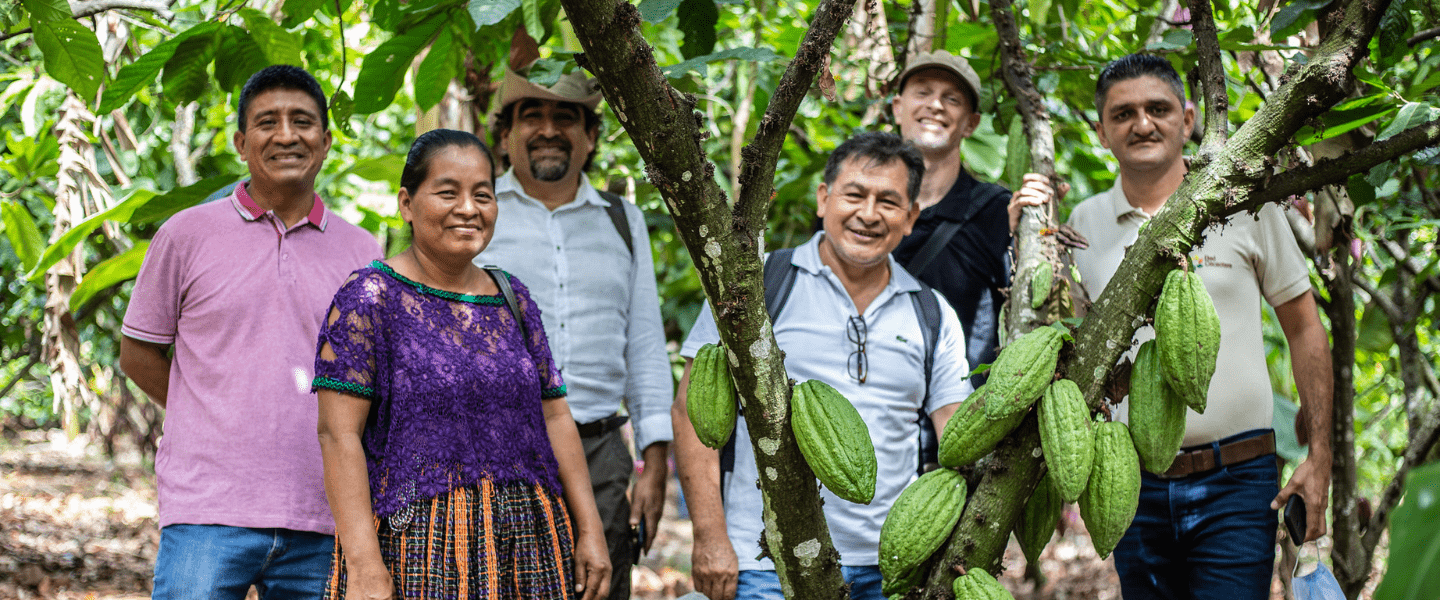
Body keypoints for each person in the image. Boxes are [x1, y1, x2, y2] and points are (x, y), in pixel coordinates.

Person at [1013, 54, 1333, 599]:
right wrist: (1028, 240)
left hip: (1238, 475)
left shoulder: (1242, 207)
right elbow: (1064, 350)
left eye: (1158, 108)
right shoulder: (1082, 225)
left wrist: (1320, 457)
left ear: (1187, 120)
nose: (1142, 124)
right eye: (1124, 114)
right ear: (1102, 130)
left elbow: (1304, 328)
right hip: (1131, 480)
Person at [117, 65, 382, 599]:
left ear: (326, 141)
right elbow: (138, 352)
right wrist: (209, 408)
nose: (286, 135)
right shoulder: (186, 233)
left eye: (302, 122)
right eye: (267, 122)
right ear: (241, 142)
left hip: (324, 513)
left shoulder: (364, 253)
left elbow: (371, 381)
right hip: (207, 511)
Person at [312, 129, 611, 599]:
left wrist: (590, 529)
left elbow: (555, 415)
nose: (468, 208)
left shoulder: (513, 296)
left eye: (483, 195)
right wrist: (365, 566)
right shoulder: (369, 297)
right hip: (420, 547)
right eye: (448, 192)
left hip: (530, 543)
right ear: (407, 204)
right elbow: (337, 434)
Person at [672, 132, 973, 600]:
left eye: (889, 202)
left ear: (912, 216)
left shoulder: (932, 313)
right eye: (855, 194)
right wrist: (710, 536)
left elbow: (957, 434)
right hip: (764, 560)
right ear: (823, 198)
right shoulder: (757, 285)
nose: (868, 215)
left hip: (891, 563)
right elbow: (693, 411)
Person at [473, 61, 673, 599]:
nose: (547, 129)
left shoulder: (621, 219)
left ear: (589, 138)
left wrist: (654, 463)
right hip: (497, 448)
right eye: (531, 115)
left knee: (599, 588)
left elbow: (645, 343)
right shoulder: (477, 212)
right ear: (507, 134)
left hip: (601, 451)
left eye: (565, 117)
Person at [886, 51, 1056, 388]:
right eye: (923, 92)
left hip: (960, 412)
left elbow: (1031, 305)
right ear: (897, 107)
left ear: (971, 123)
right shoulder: (856, 207)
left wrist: (1037, 231)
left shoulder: (997, 210)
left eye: (951, 99)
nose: (935, 105)